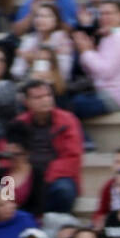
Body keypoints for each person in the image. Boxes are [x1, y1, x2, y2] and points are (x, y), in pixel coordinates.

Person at [14, 78, 83, 215]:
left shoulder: (67, 120)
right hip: (25, 175)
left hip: (55, 177)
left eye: (48, 95)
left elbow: (72, 157)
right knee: (5, 190)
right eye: (38, 97)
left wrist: (43, 177)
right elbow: (3, 154)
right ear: (26, 102)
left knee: (64, 190)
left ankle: (51, 224)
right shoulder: (17, 124)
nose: (45, 100)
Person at [68, 0, 120, 118]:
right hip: (103, 93)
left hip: (115, 98)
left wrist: (86, 51)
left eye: (109, 13)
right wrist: (88, 51)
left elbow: (104, 72)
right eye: (101, 13)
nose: (104, 17)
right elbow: (93, 72)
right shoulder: (109, 37)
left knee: (72, 105)